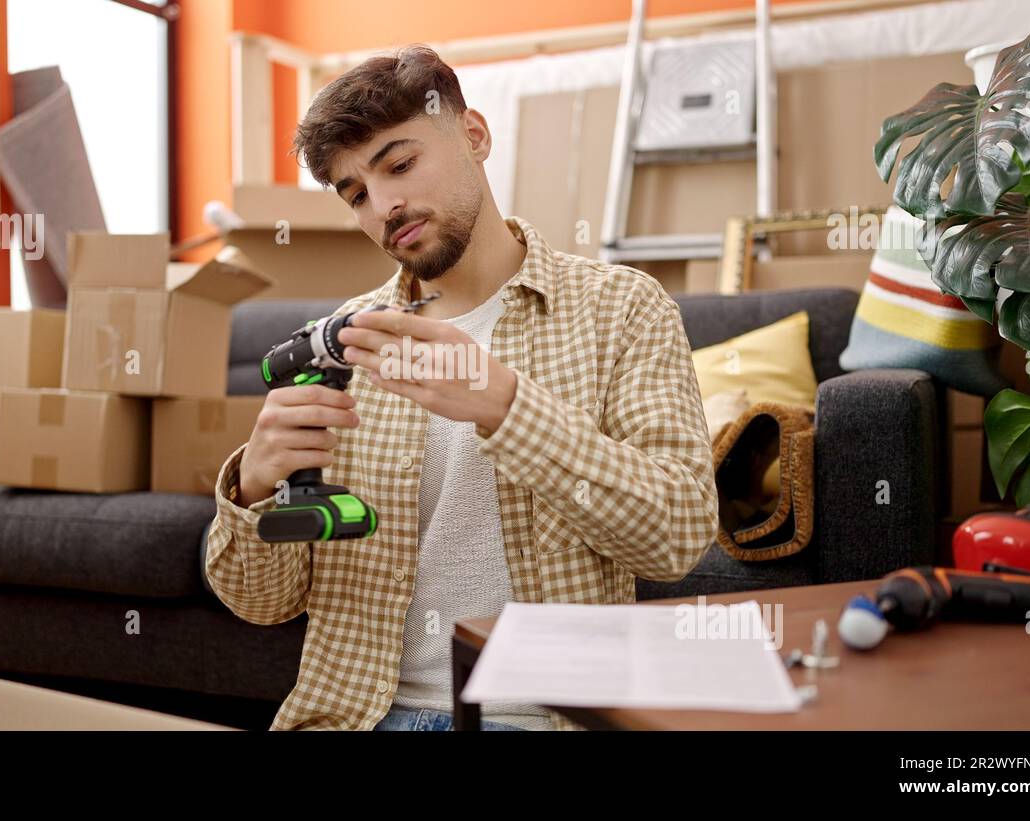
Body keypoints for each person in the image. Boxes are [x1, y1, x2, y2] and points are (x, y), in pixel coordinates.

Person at [204, 45, 719, 731]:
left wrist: (506, 408)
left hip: (538, 717)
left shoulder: (622, 308)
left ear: (473, 136)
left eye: (400, 163)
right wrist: (257, 489)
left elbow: (679, 534)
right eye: (356, 193)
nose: (385, 204)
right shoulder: (343, 345)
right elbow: (260, 603)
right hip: (359, 716)